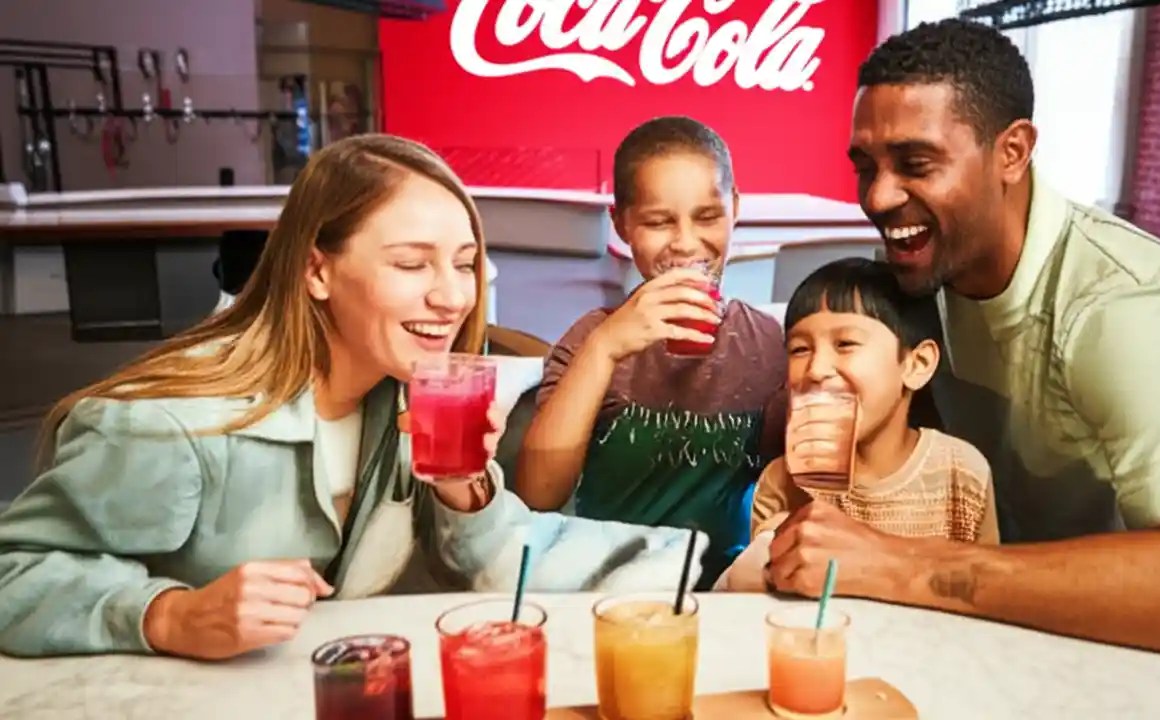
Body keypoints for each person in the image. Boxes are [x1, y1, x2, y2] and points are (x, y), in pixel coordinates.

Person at [0, 134, 707, 660]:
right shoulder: (170, 425)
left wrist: (710, 570)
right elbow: (15, 574)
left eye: (465, 264)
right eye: (412, 264)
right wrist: (169, 616)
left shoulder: (404, 398)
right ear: (317, 271)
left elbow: (506, 557)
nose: (452, 296)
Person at [767, 19, 1160, 660]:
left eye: (916, 164)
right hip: (952, 635)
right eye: (865, 167)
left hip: (1110, 650)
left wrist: (899, 564)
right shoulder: (918, 267)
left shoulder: (1119, 300)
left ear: (1012, 152)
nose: (879, 195)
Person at [515, 116, 788, 586]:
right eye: (659, 222)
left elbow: (794, 481)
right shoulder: (592, 339)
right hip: (606, 585)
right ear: (621, 223)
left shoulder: (768, 344)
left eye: (708, 216)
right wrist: (604, 349)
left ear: (735, 208)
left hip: (724, 591)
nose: (685, 243)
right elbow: (538, 495)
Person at [716, 258, 996, 592]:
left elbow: (985, 589)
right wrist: (770, 544)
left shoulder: (961, 474)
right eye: (799, 349)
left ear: (916, 364)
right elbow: (750, 593)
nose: (816, 369)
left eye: (846, 344)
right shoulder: (782, 481)